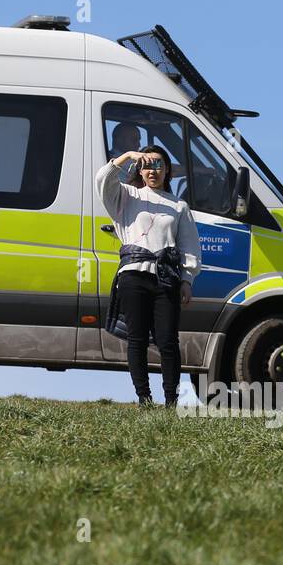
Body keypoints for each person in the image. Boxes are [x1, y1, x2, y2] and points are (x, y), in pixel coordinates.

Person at [97, 145, 201, 407]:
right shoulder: (126, 196)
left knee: (168, 340)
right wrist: (127, 156)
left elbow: (189, 244)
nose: (152, 170)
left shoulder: (179, 206)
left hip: (166, 277)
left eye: (158, 165)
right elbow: (102, 179)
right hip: (133, 275)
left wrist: (187, 279)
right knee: (137, 338)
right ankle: (144, 398)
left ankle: (171, 400)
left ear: (167, 170)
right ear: (139, 170)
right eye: (147, 165)